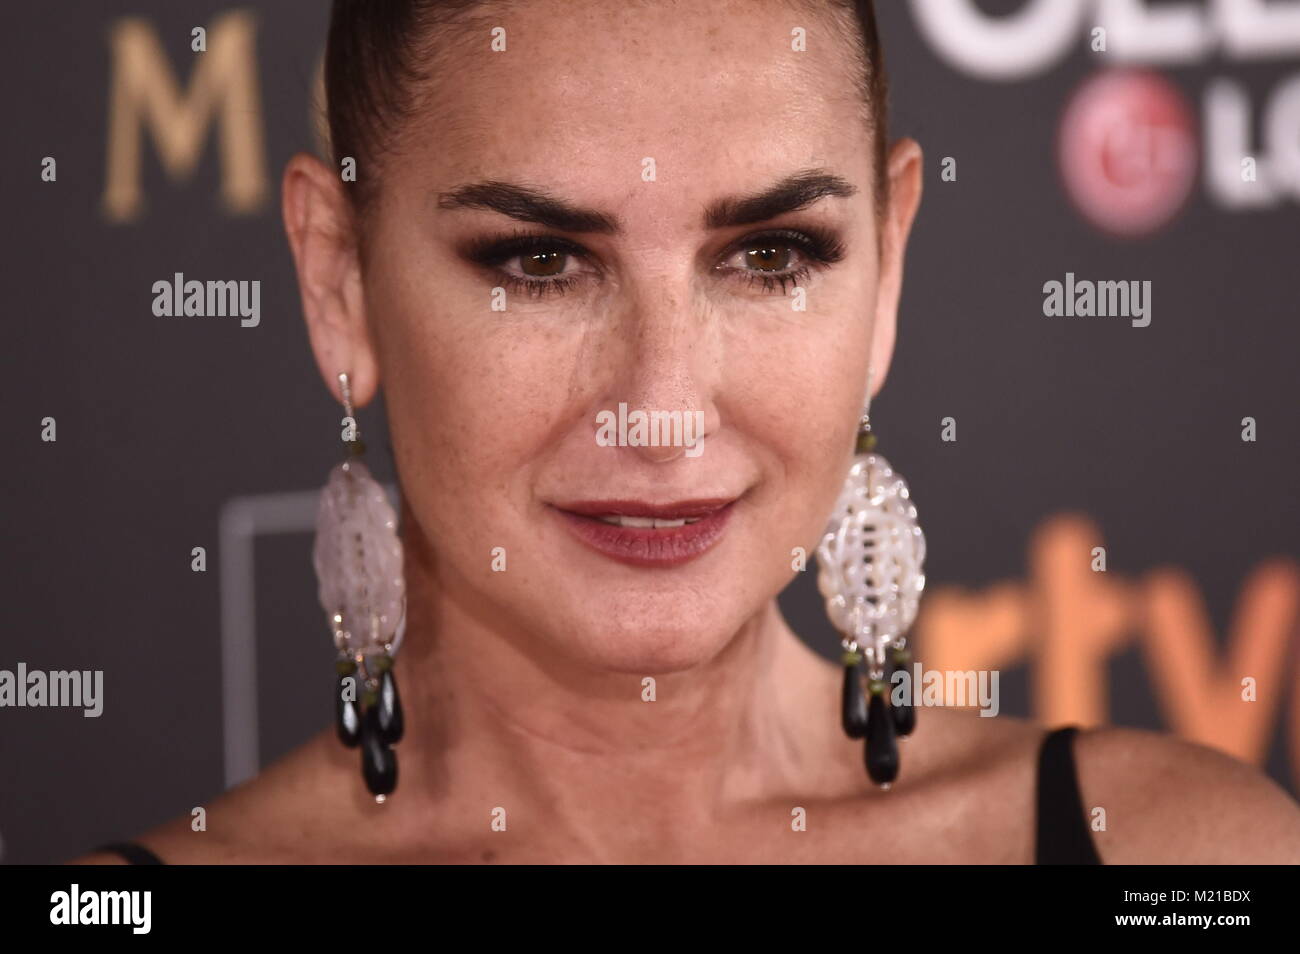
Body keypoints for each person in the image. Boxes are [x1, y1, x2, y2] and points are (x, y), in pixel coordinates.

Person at [76, 0, 1300, 864]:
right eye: (540, 262)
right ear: (338, 282)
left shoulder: (1183, 863)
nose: (662, 405)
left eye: (771, 256)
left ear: (884, 272)